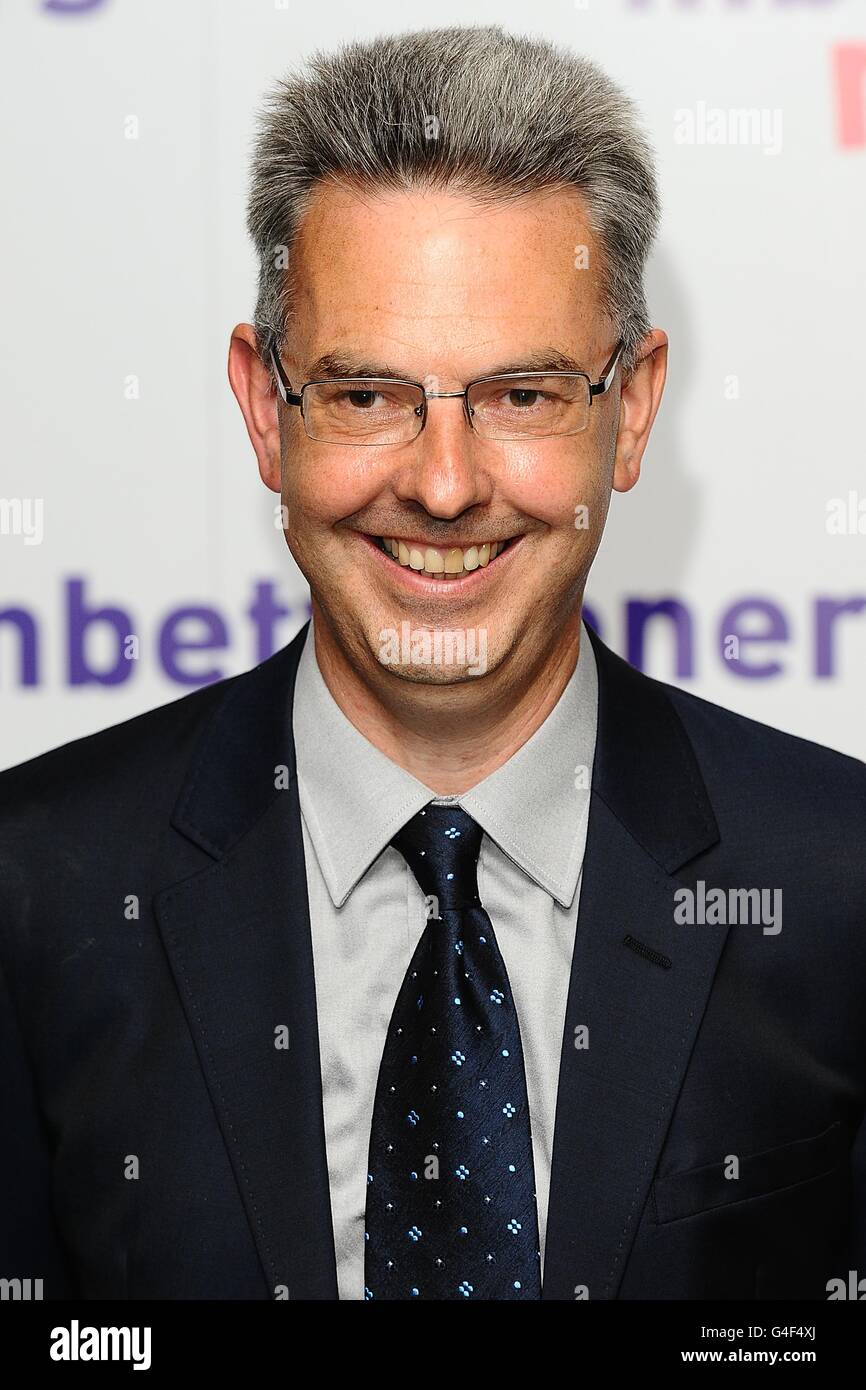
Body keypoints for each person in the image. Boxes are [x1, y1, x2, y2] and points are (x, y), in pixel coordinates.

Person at [1, 24, 864, 1302]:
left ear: (627, 411)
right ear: (262, 408)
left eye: (520, 394)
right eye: (363, 397)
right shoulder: (38, 888)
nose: (444, 485)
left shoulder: (838, 879)